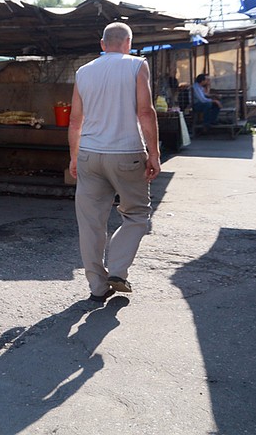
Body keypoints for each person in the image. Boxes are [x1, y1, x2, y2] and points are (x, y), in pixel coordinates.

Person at [68, 22, 161, 303]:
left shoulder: (83, 72)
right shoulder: (137, 65)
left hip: (89, 154)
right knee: (136, 215)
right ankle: (118, 270)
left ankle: (97, 287)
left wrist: (74, 156)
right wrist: (154, 153)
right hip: (127, 153)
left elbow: (75, 120)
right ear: (128, 44)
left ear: (102, 43)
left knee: (91, 223)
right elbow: (145, 112)